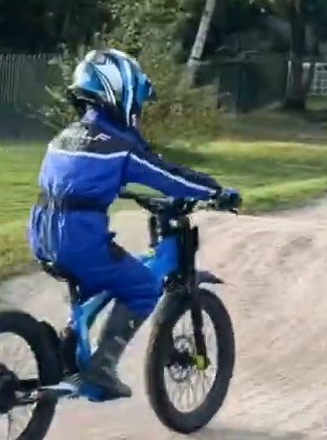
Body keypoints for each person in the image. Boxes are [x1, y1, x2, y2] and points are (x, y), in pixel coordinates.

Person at [27, 48, 241, 399]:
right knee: (142, 286)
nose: (138, 109)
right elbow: (169, 177)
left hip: (40, 232)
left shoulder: (65, 136)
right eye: (137, 100)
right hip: (79, 239)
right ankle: (101, 368)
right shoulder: (119, 144)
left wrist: (118, 187)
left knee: (96, 278)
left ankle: (70, 345)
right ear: (119, 91)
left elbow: (77, 180)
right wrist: (216, 191)